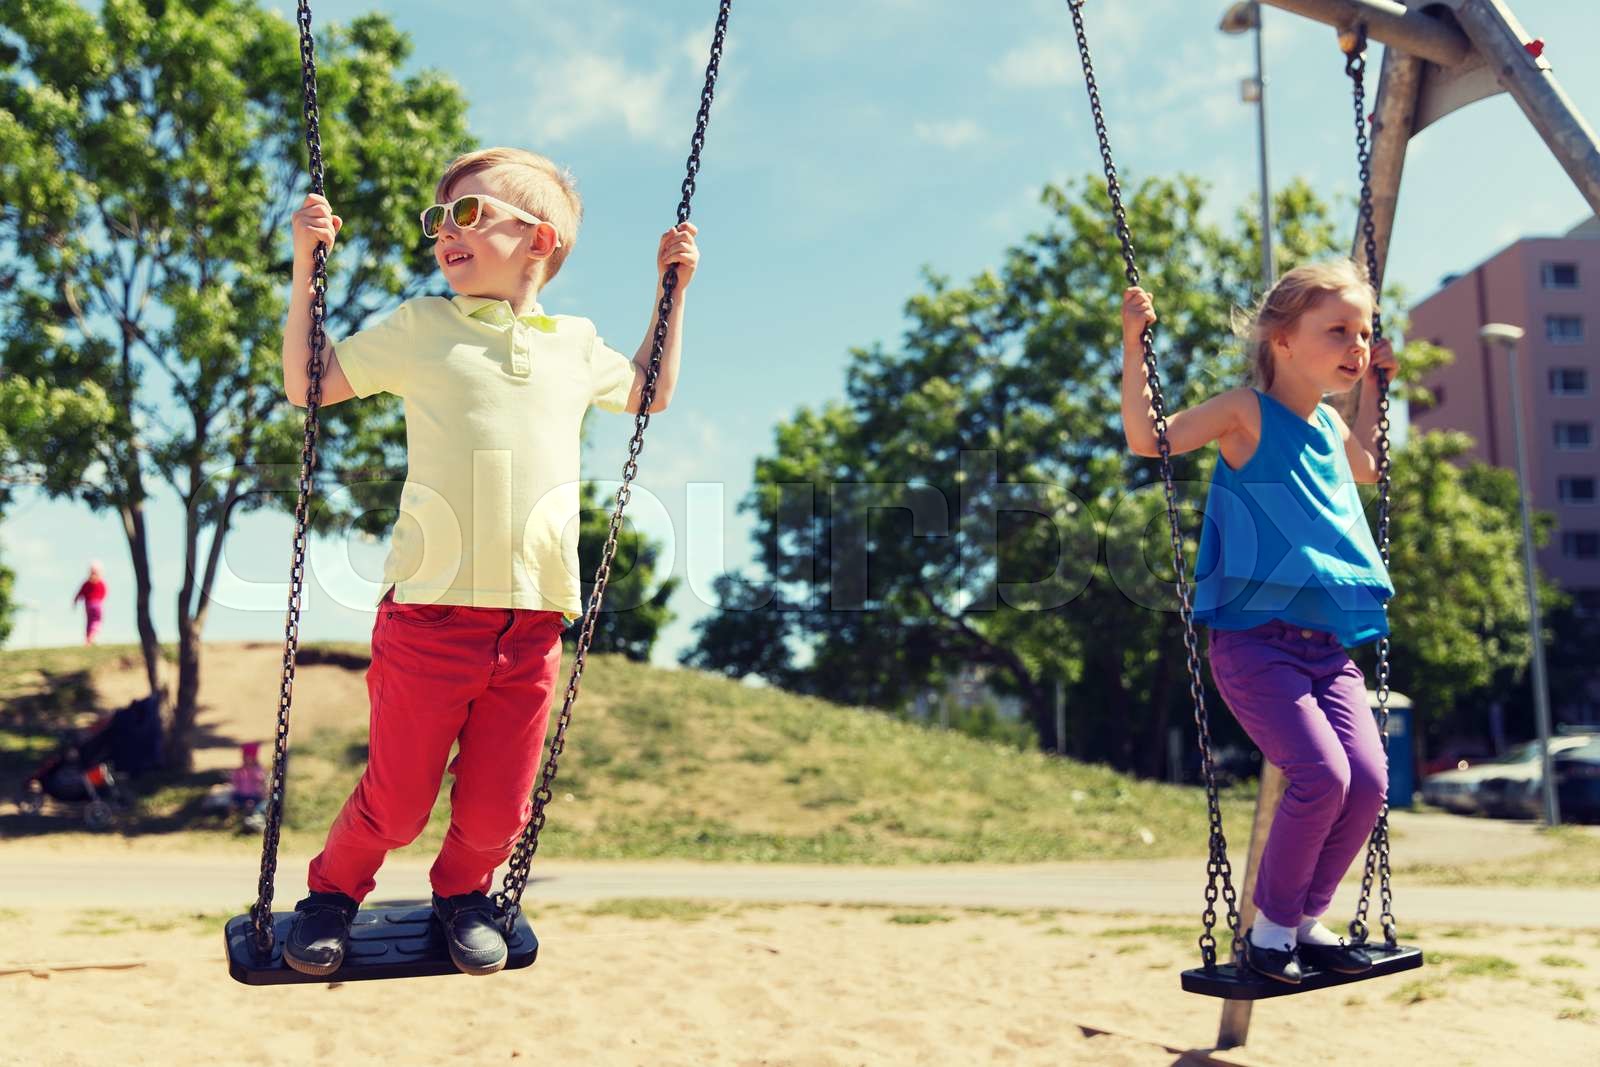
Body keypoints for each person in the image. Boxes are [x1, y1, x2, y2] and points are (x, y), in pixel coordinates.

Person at [277, 147, 699, 977]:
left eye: (466, 215)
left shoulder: (575, 344)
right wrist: (305, 262)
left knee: (497, 809)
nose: (444, 233)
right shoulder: (421, 327)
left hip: (536, 618)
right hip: (431, 611)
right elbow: (309, 382)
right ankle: (331, 892)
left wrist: (672, 289)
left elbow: (648, 389)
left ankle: (465, 893)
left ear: (538, 239)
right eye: (438, 220)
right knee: (396, 803)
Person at [1119, 260, 1398, 985]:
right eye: (1337, 329)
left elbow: (1368, 466)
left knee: (1367, 781)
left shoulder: (1333, 424)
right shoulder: (1245, 410)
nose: (1356, 342)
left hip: (1326, 649)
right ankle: (1271, 933)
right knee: (1321, 776)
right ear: (1281, 339)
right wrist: (1133, 341)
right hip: (1255, 646)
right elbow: (1151, 438)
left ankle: (1306, 919)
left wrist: (1378, 388)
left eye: (1363, 331)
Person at [231, 742, 267, 832]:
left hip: (254, 795)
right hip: (241, 794)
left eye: (249, 758)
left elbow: (261, 781)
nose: (247, 760)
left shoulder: (257, 769)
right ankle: (236, 818)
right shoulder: (240, 770)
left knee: (251, 803)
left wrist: (252, 772)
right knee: (234, 802)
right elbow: (236, 782)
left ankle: (252, 818)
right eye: (245, 758)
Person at [72, 562, 108, 645]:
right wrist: (100, 600)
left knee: (89, 621)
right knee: (97, 620)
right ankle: (91, 636)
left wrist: (75, 601)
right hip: (97, 604)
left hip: (88, 605)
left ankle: (88, 639)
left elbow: (80, 593)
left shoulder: (86, 583)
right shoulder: (100, 583)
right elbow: (104, 592)